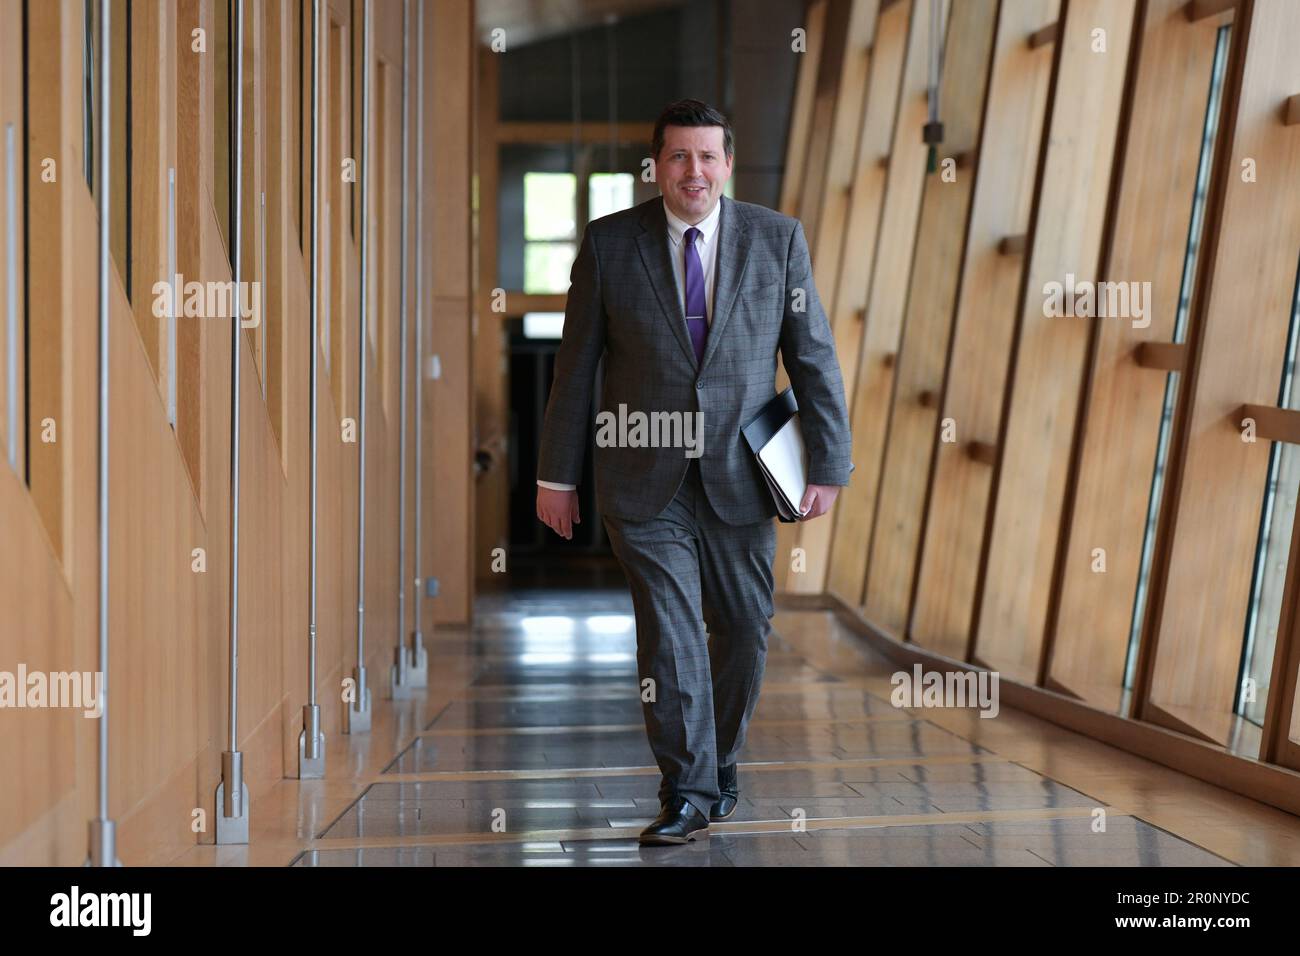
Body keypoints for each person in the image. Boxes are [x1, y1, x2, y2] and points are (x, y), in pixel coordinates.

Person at [535, 99, 852, 845]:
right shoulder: (612, 245)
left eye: (707, 157)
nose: (694, 172)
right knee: (671, 632)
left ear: (728, 164)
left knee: (744, 627)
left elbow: (813, 356)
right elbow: (575, 366)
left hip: (744, 476)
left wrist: (829, 462)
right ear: (657, 167)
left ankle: (721, 763)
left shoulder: (777, 241)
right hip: (643, 478)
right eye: (678, 157)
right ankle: (686, 788)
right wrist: (558, 476)